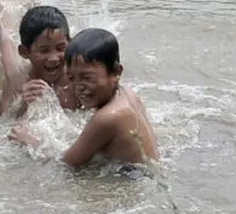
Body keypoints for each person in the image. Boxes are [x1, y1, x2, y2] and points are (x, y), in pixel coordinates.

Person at [47, 28, 159, 169]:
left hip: (131, 180)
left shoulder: (107, 118)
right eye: (71, 78)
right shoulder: (128, 94)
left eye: (87, 78)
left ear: (116, 72)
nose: (78, 87)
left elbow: (66, 163)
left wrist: (34, 143)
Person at [0, 3, 72, 117]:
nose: (54, 58)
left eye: (61, 48)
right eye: (44, 51)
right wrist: (22, 106)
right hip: (15, 63)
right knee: (5, 36)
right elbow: (2, 122)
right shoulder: (18, 81)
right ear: (25, 52)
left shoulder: (77, 76)